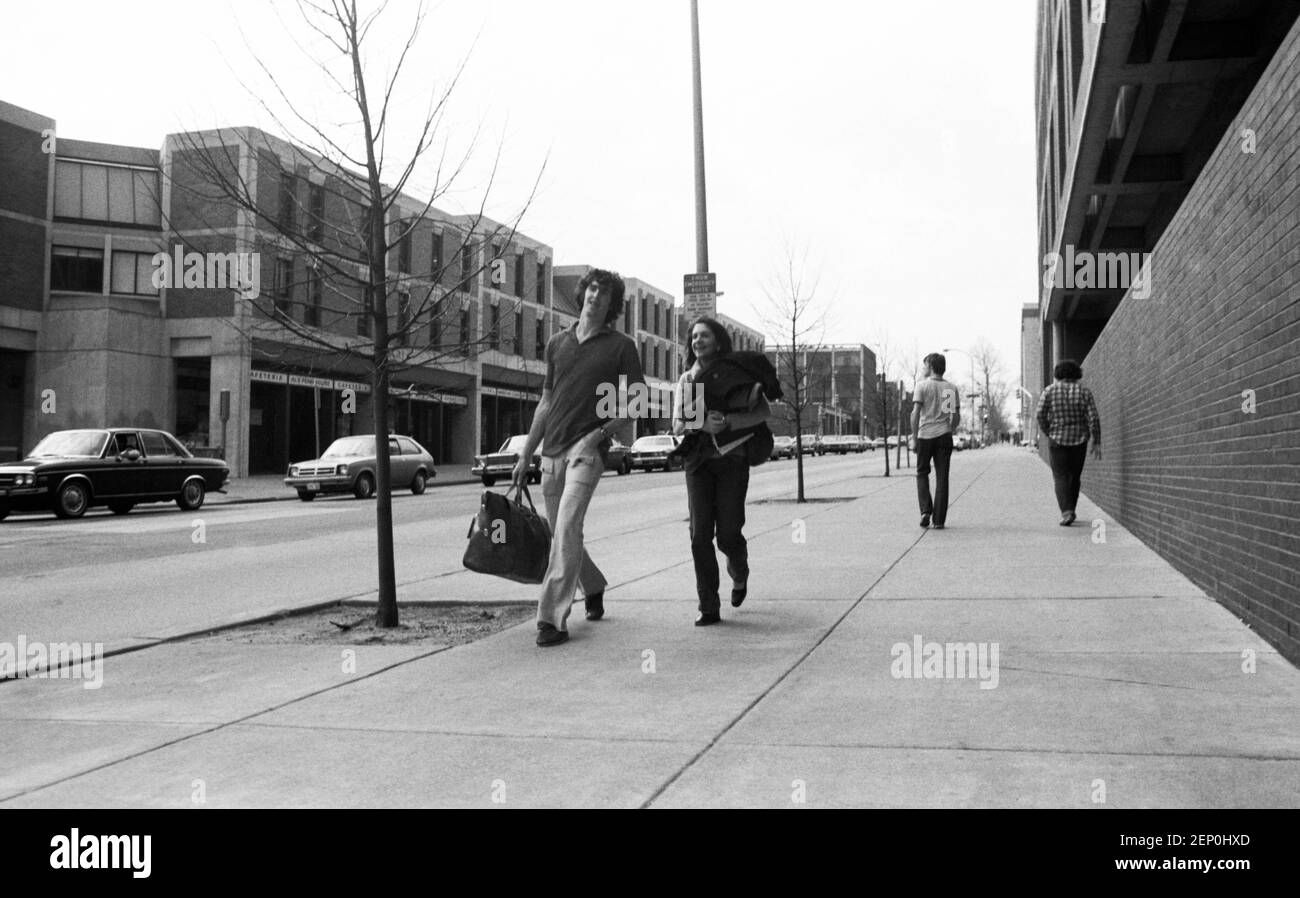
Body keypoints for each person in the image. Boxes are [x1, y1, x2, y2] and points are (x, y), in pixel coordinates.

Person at [513, 269, 643, 646]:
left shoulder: (622, 346)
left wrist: (599, 435)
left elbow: (635, 403)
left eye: (604, 293)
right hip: (551, 450)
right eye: (592, 288)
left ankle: (551, 619)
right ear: (583, 293)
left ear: (611, 304)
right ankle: (594, 585)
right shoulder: (557, 343)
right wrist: (526, 454)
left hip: (587, 450)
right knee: (560, 533)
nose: (595, 296)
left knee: (568, 526)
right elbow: (546, 402)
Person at [672, 317, 771, 626]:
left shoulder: (734, 373)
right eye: (694, 337)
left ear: (717, 341)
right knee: (699, 535)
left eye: (704, 335)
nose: (698, 341)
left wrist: (728, 423)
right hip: (698, 463)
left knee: (728, 534)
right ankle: (709, 606)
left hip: (732, 460)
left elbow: (763, 412)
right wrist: (701, 423)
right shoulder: (687, 381)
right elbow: (676, 424)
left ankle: (739, 571)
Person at [1034, 358, 1102, 526]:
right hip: (1080, 440)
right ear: (1077, 374)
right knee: (1075, 476)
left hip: (1057, 440)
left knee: (1060, 476)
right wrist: (1096, 440)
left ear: (1058, 374)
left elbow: (1040, 414)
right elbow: (1093, 416)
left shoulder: (1049, 391)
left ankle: (1067, 512)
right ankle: (1071, 508)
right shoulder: (1084, 392)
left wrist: (1048, 430)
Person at [910, 353, 961, 530]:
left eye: (925, 365)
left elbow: (915, 413)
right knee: (942, 477)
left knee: (922, 473)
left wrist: (914, 437)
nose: (923, 368)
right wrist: (949, 428)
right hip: (943, 436)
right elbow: (954, 416)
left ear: (931, 366)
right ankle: (939, 520)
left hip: (925, 436)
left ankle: (925, 510)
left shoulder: (922, 386)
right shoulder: (950, 388)